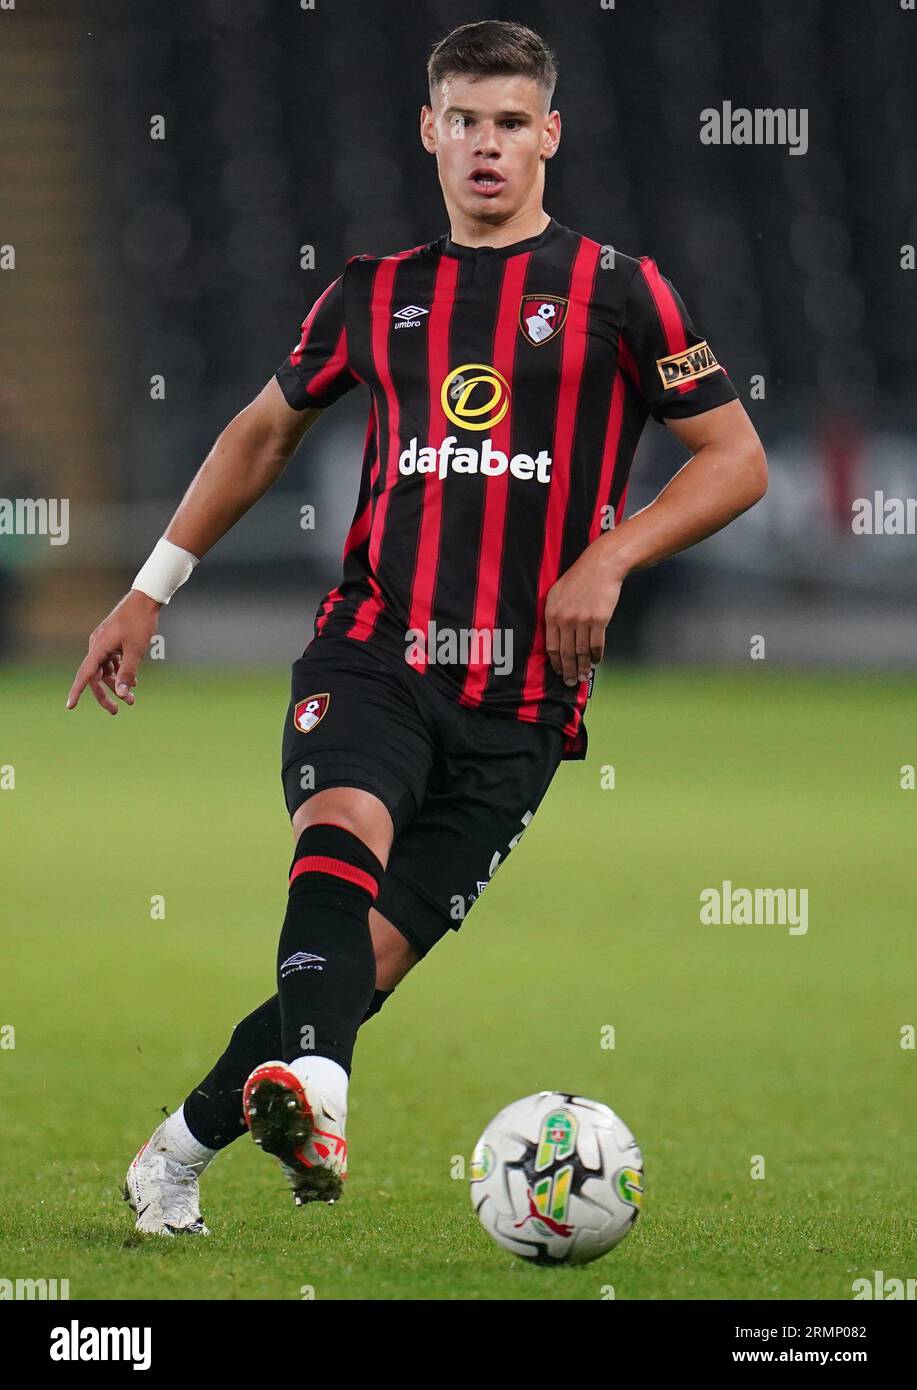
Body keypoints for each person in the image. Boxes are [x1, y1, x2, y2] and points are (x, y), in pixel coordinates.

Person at [66, 19, 767, 1236]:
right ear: (428, 132)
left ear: (548, 135)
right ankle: (324, 1099)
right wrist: (147, 589)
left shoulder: (620, 290)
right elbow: (256, 435)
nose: (485, 146)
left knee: (361, 969)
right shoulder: (369, 294)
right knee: (337, 828)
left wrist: (610, 554)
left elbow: (735, 457)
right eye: (464, 121)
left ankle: (176, 1153)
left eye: (509, 122)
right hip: (375, 646)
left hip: (524, 697)